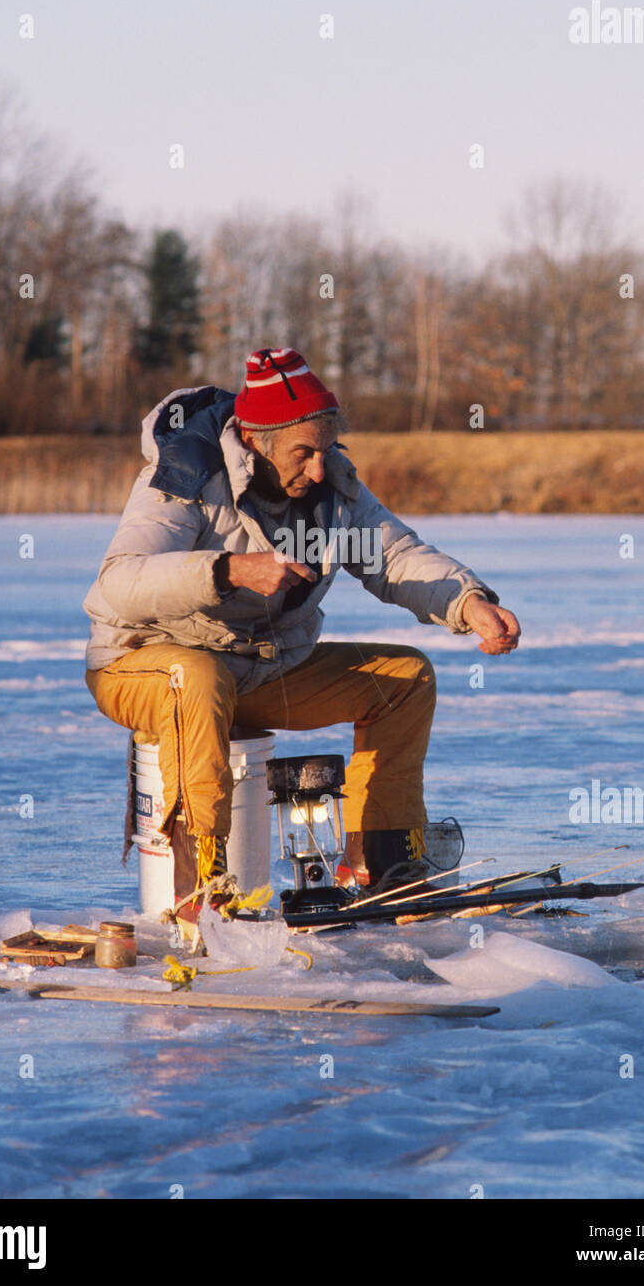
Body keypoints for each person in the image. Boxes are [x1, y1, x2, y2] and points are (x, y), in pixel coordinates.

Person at [84, 347, 520, 926]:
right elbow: (119, 584)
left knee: (403, 679)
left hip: (256, 670)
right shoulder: (184, 475)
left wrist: (469, 602)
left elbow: (394, 554)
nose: (318, 467)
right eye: (303, 452)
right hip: (139, 662)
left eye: (327, 449)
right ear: (255, 439)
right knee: (197, 675)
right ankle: (202, 892)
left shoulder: (333, 492)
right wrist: (228, 570)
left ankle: (380, 872)